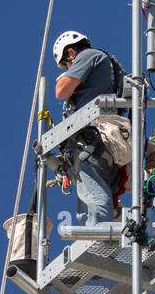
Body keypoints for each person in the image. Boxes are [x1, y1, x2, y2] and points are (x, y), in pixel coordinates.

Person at [53, 31, 126, 228]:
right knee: (89, 202)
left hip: (92, 141)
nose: (70, 69)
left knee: (95, 198)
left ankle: (100, 241)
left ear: (70, 53)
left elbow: (61, 91)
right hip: (108, 142)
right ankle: (100, 234)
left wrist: (66, 77)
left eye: (68, 65)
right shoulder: (110, 66)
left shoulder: (88, 56)